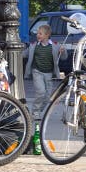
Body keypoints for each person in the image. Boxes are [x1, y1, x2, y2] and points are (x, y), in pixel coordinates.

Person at [23, 24, 67, 152]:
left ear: (47, 35)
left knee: (47, 97)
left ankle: (38, 111)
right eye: (37, 33)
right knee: (41, 92)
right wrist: (17, 51)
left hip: (49, 74)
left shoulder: (55, 45)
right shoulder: (33, 46)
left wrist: (63, 51)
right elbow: (24, 54)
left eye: (40, 33)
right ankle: (35, 112)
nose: (38, 35)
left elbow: (64, 57)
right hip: (37, 72)